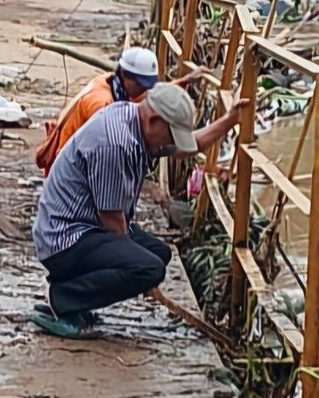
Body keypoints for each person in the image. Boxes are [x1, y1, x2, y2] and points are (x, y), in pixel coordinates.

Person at [30, 83, 248, 338]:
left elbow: (186, 147)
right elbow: (111, 216)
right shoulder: (114, 142)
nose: (169, 143)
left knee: (159, 254)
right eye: (170, 135)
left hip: (86, 227)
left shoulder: (136, 120)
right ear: (155, 120)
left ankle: (77, 298)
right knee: (148, 268)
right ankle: (62, 298)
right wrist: (140, 272)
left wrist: (229, 121)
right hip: (65, 240)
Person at [34, 47, 209, 176]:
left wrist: (183, 82)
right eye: (141, 85)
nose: (143, 90)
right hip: (68, 167)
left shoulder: (110, 82)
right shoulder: (101, 104)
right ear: (124, 74)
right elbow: (110, 147)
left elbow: (148, 97)